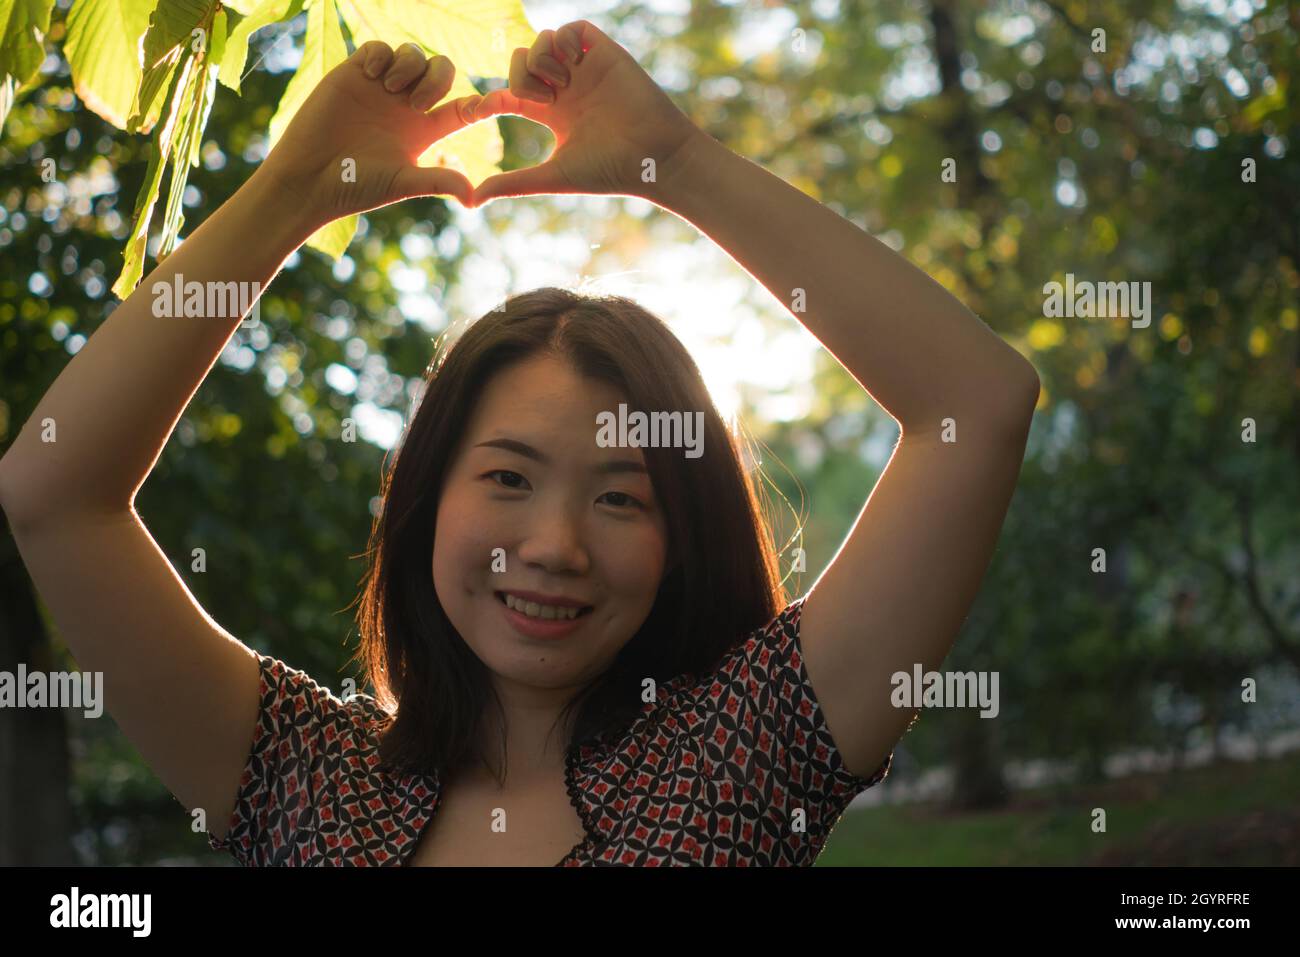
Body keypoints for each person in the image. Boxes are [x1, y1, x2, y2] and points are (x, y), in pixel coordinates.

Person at [0, 20, 1039, 866]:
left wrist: (674, 164)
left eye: (622, 496)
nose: (553, 544)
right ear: (423, 501)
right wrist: (294, 190)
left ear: (686, 534)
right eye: (507, 476)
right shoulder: (302, 776)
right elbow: (52, 487)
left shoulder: (747, 752)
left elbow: (976, 402)